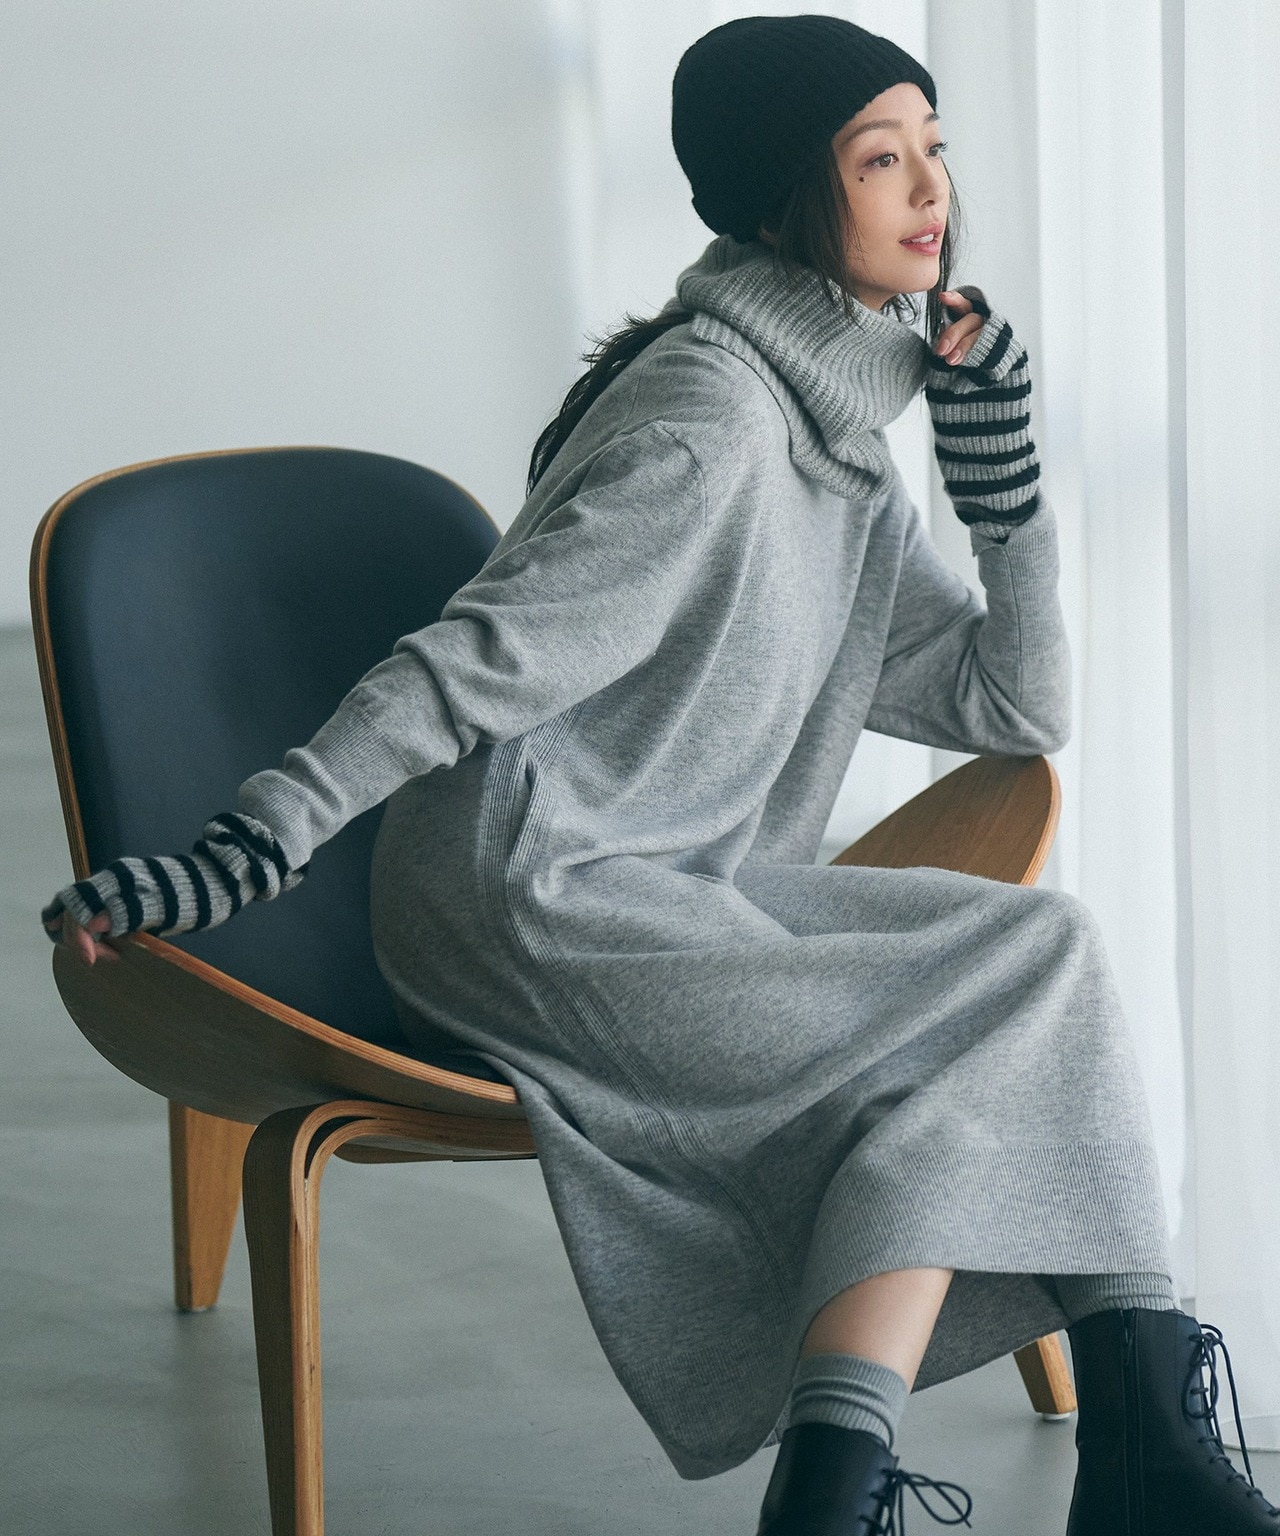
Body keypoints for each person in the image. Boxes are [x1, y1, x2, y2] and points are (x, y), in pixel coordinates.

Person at [40, 15, 1280, 1535]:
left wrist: (998, 477)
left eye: (934, 149)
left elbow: (1016, 703)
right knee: (1002, 1001)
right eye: (878, 160)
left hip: (680, 894)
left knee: (1021, 988)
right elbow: (473, 661)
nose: (930, 191)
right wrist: (246, 847)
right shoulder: (710, 423)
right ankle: (1092, 1463)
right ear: (782, 194)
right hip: (532, 902)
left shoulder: (838, 441)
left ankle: (893, 1481)